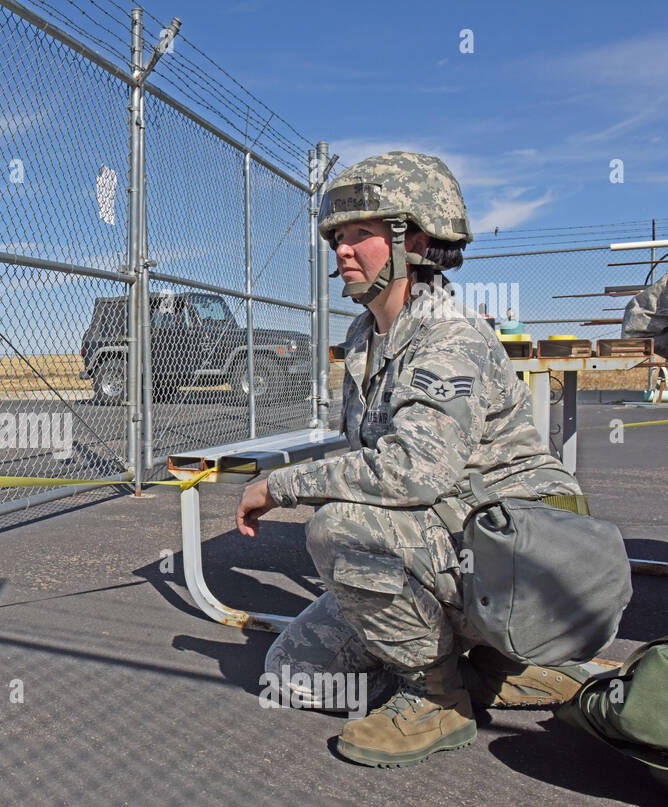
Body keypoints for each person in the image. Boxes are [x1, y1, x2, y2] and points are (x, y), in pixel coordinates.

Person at [235, 151, 598, 767]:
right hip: (453, 538)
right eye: (338, 238)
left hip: (522, 551)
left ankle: (436, 697)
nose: (343, 251)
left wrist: (283, 487)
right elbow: (384, 465)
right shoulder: (364, 338)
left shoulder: (448, 335)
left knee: (340, 531)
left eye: (362, 235)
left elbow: (411, 471)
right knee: (298, 674)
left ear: (416, 242)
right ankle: (505, 665)